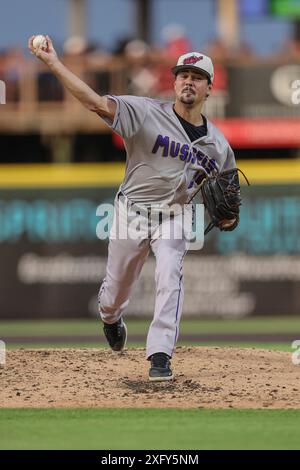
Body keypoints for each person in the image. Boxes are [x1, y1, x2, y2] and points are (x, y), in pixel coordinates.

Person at [28, 36, 237, 382]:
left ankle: (159, 355)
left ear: (208, 88)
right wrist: (53, 62)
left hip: (175, 216)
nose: (189, 81)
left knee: (170, 275)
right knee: (115, 292)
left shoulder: (218, 145)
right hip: (131, 213)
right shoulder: (143, 113)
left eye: (197, 77)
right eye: (183, 74)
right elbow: (94, 102)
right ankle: (111, 318)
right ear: (174, 81)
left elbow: (228, 189)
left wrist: (228, 214)